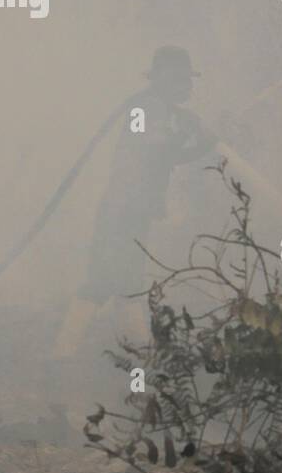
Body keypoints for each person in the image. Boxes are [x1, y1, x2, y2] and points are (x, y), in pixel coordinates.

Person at [53, 46, 217, 358]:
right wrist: (186, 132)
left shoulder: (164, 112)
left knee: (129, 282)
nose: (187, 87)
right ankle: (63, 351)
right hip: (122, 209)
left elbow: (168, 156)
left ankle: (142, 351)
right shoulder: (144, 108)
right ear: (163, 79)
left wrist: (204, 142)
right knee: (102, 278)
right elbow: (153, 148)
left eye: (187, 80)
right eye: (181, 80)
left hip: (136, 210)